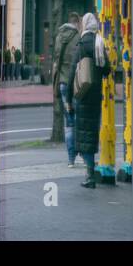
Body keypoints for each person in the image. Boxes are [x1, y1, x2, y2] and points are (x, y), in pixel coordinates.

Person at [71, 13, 111, 188]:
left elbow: (73, 69)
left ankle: (89, 175)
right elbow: (107, 70)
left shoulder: (81, 44)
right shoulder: (99, 43)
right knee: (92, 132)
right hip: (95, 94)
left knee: (83, 133)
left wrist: (68, 96)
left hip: (83, 94)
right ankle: (90, 170)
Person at [51, 13, 82, 167]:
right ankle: (82, 154)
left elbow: (56, 60)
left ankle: (71, 159)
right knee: (79, 119)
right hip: (75, 83)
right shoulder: (77, 38)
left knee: (69, 122)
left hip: (62, 83)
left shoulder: (59, 37)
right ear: (77, 23)